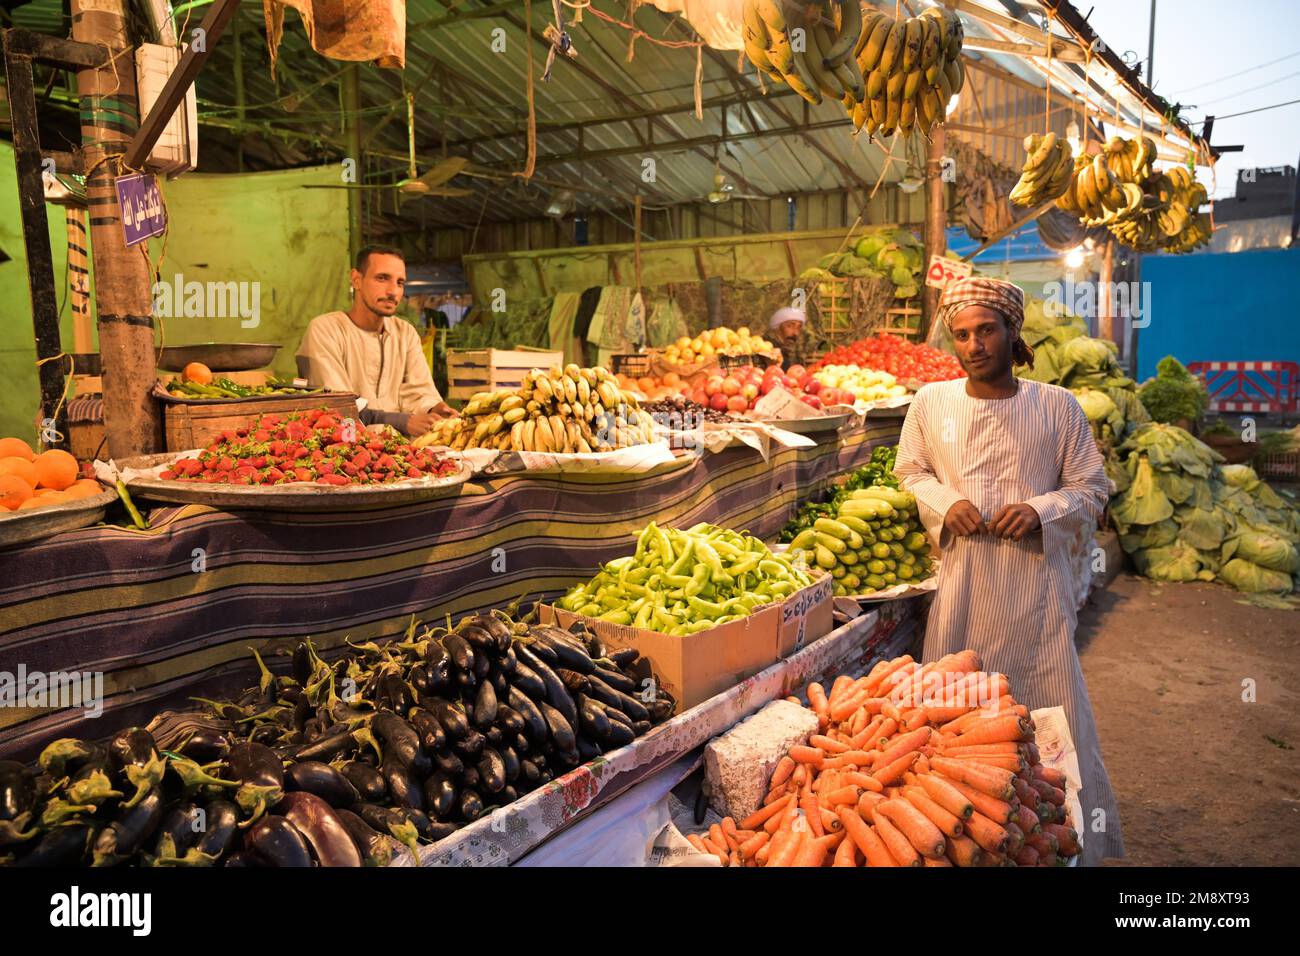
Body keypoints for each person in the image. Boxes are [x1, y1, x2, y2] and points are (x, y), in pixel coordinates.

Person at [893, 276, 1123, 866]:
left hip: (1033, 596)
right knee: (955, 722)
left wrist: (1041, 508)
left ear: (1012, 331)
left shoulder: (1055, 405)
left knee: (1051, 716)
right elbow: (910, 472)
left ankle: (1063, 845)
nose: (973, 345)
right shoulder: (929, 402)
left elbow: (1092, 486)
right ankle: (975, 844)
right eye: (962, 334)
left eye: (986, 331)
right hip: (962, 587)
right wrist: (947, 503)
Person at [297, 245, 454, 436]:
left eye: (400, 282)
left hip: (404, 455)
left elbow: (418, 390)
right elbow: (337, 407)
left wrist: (435, 409)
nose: (393, 291)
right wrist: (402, 422)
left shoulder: (405, 333)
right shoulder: (326, 330)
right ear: (356, 280)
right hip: (347, 454)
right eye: (382, 278)